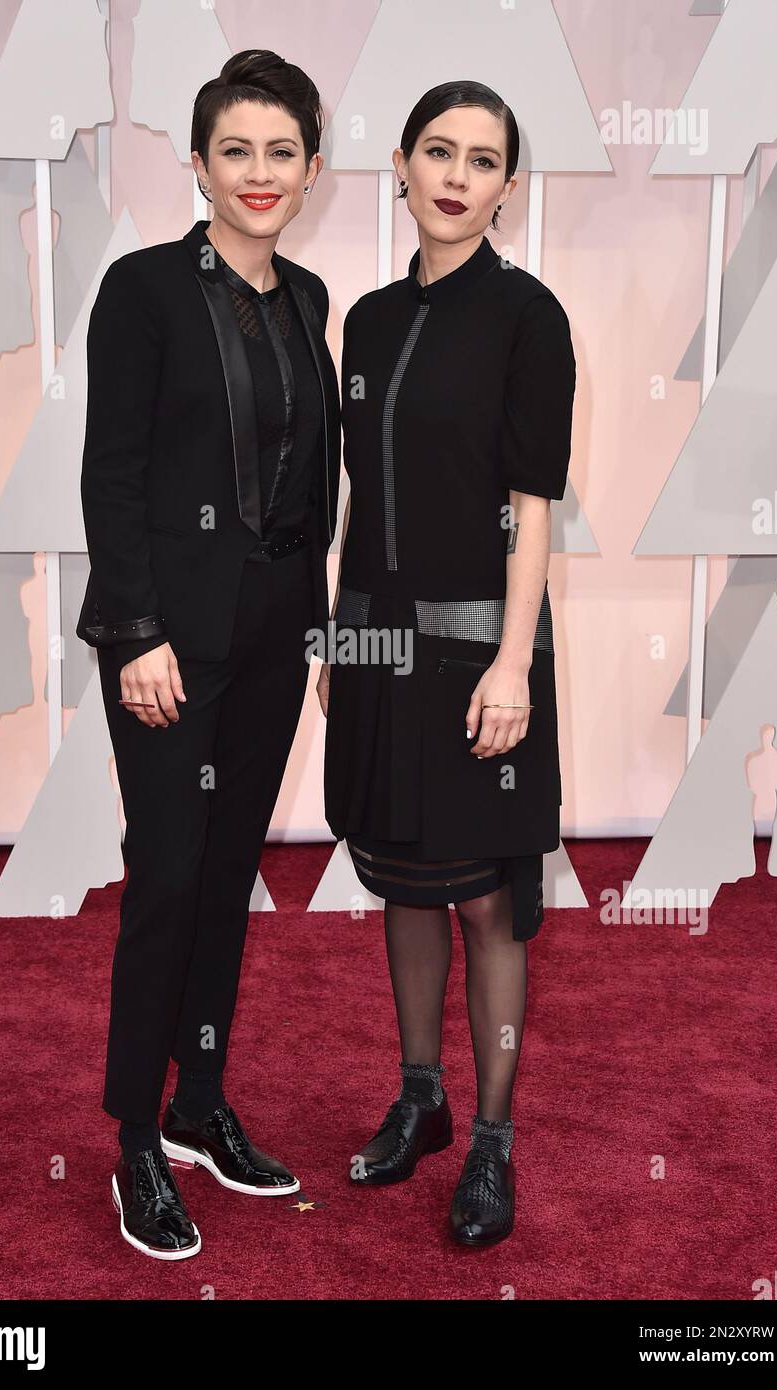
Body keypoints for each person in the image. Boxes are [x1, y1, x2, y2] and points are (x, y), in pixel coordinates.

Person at [76, 50, 341, 1259]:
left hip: (277, 627)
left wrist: (322, 619)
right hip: (168, 644)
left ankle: (200, 1102)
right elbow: (114, 472)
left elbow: (310, 483)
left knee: (228, 874)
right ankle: (135, 1133)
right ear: (197, 164)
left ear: (313, 169)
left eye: (282, 151)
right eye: (236, 149)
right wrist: (134, 629)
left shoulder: (309, 299)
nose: (259, 172)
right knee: (169, 876)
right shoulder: (141, 291)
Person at [320, 82, 576, 1247]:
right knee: (403, 876)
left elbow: (533, 508)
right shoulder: (365, 321)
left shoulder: (530, 317)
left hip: (484, 650)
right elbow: (357, 502)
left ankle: (493, 1139)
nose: (457, 174)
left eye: (483, 160)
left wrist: (513, 663)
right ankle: (420, 1098)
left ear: (508, 188)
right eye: (439, 151)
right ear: (404, 165)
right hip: (377, 642)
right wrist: (342, 638)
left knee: (485, 898)